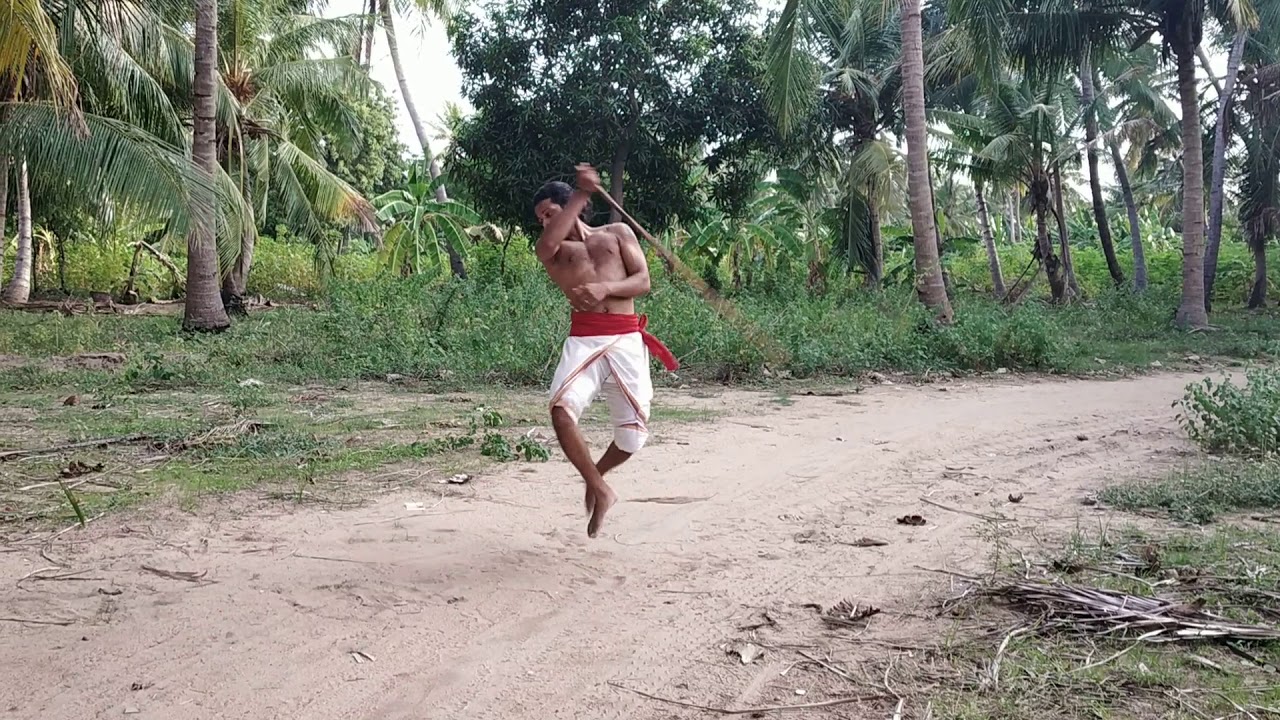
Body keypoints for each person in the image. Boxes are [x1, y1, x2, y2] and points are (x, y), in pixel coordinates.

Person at [533, 163, 679, 538]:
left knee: (633, 437)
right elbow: (548, 243)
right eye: (542, 218)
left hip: (627, 339)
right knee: (561, 411)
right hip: (585, 338)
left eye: (550, 213)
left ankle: (596, 475)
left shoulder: (617, 233)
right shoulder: (553, 252)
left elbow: (642, 282)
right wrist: (582, 191)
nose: (546, 222)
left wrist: (603, 290)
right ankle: (600, 488)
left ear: (572, 209)